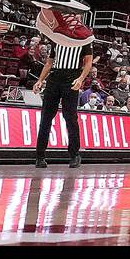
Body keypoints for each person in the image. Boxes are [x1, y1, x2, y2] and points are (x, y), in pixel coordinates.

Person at [33, 41, 93, 169]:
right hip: (55, 77)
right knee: (46, 118)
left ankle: (74, 154)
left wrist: (81, 78)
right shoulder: (57, 39)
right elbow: (49, 63)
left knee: (70, 117)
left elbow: (88, 63)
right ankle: (40, 155)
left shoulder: (84, 41)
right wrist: (40, 80)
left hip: (72, 77)